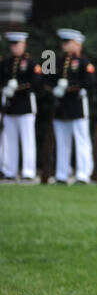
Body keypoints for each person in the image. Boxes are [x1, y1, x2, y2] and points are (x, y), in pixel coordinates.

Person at [50, 28, 95, 184]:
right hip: (61, 107)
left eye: (68, 43)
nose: (64, 46)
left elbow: (90, 82)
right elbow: (46, 79)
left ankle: (83, 173)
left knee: (81, 140)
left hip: (77, 105)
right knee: (62, 142)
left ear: (77, 44)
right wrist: (54, 88)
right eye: (63, 43)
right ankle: (62, 174)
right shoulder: (57, 61)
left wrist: (70, 86)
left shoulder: (84, 62)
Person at [0, 31, 41, 182]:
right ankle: (10, 171)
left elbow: (36, 82)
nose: (14, 47)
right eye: (12, 44)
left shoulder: (31, 63)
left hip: (25, 107)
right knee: (9, 141)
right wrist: (5, 88)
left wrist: (18, 87)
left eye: (17, 44)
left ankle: (28, 171)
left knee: (27, 140)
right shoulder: (6, 63)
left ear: (23, 44)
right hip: (10, 107)